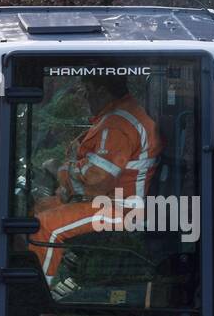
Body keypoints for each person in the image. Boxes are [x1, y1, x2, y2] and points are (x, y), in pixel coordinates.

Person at [29, 75, 162, 285]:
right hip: (107, 201)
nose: (85, 98)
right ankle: (55, 268)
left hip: (120, 209)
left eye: (87, 91)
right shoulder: (119, 115)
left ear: (101, 91)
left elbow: (97, 179)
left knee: (45, 226)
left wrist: (59, 171)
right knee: (38, 209)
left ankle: (36, 295)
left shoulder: (118, 125)